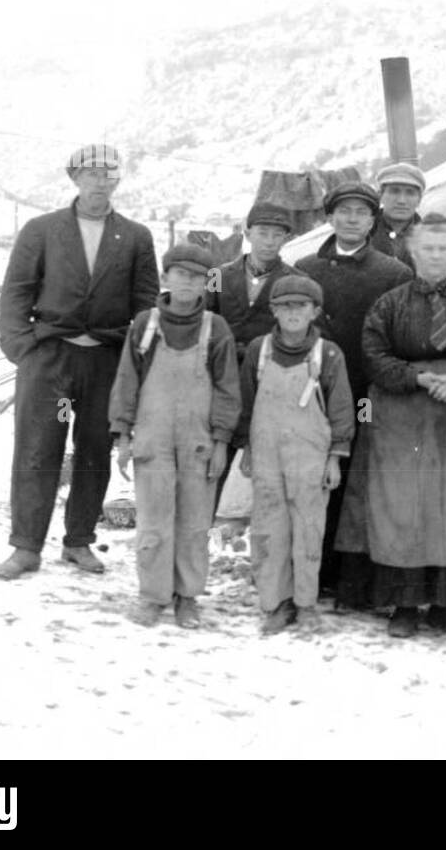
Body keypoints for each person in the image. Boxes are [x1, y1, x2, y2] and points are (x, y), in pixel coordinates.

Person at [337, 213, 446, 640]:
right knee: (404, 505)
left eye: (442, 249)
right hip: (401, 418)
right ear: (413, 253)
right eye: (427, 249)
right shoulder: (390, 304)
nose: (434, 256)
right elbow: (372, 356)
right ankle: (406, 605)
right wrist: (416, 378)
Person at [0, 144, 159, 580]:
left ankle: (79, 541)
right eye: (92, 173)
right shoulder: (41, 230)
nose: (101, 181)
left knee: (94, 450)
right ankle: (26, 546)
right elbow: (16, 292)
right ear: (75, 179)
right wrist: (22, 348)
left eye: (109, 173)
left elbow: (145, 304)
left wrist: (135, 356)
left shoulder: (136, 236)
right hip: (50, 359)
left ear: (118, 181)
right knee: (38, 449)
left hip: (105, 361)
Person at [109, 244, 241, 628]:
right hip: (152, 439)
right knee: (153, 519)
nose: (187, 282)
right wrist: (122, 437)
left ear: (206, 283)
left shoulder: (215, 328)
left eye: (197, 276)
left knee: (194, 522)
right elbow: (126, 382)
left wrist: (221, 442)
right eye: (179, 274)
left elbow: (228, 389)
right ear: (165, 278)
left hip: (198, 442)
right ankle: (153, 595)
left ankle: (188, 596)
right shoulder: (144, 325)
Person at [293, 179, 412, 596]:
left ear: (371, 220)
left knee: (355, 475)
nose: (351, 219)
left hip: (365, 395)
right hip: (312, 391)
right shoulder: (305, 269)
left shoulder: (393, 273)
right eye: (343, 211)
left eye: (361, 213)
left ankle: (350, 578)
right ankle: (309, 570)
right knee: (310, 474)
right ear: (330, 217)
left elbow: (398, 336)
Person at [235, 276, 355, 636]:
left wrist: (336, 456)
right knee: (270, 527)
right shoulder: (259, 350)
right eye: (284, 305)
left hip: (311, 455)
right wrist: (247, 448)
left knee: (308, 528)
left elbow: (343, 409)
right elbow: (246, 400)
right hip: (266, 451)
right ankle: (274, 603)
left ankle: (305, 603)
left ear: (315, 311)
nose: (292, 313)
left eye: (300, 306)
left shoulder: (329, 354)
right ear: (273, 309)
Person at [205, 200, 304, 509]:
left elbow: (298, 333)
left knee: (269, 472)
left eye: (278, 234)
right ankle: (196, 545)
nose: (269, 241)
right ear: (248, 233)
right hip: (220, 383)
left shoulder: (295, 281)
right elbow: (204, 322)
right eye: (263, 232)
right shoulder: (218, 275)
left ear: (286, 239)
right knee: (210, 469)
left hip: (267, 384)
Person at [368, 162, 446, 279]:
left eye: (410, 193)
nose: (401, 200)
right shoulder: (361, 234)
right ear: (380, 195)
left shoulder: (439, 239)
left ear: (419, 199)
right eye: (394, 191)